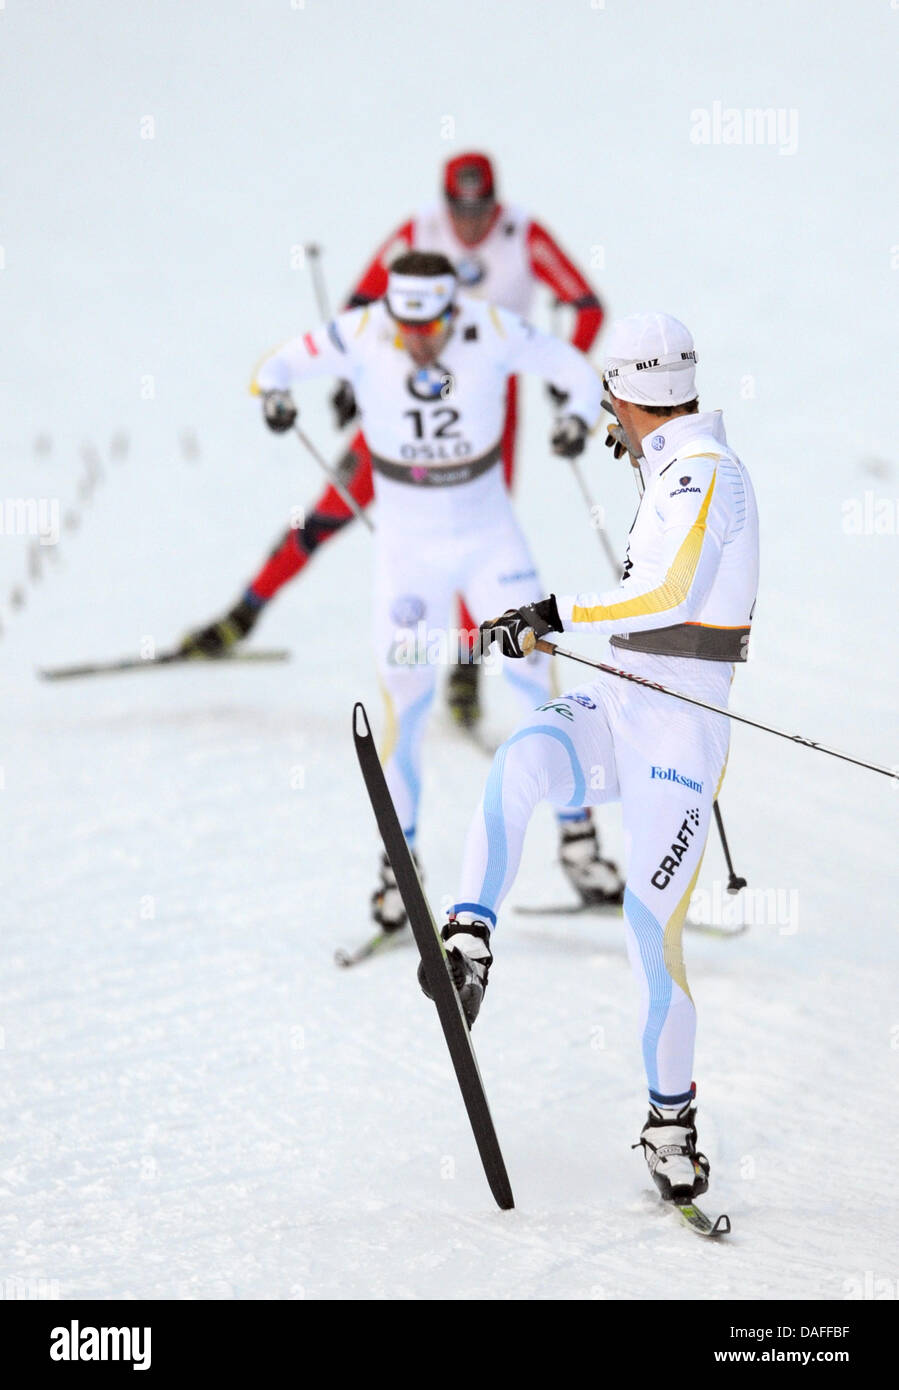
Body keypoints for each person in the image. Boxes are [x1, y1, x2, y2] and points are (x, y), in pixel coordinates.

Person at [423, 312, 759, 1207]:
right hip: (618, 703)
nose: (604, 414)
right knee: (522, 760)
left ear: (626, 392)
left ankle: (670, 1127)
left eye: (609, 395)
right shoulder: (671, 465)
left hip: (678, 740)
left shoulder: (703, 475)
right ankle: (468, 942)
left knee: (651, 938)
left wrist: (547, 612)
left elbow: (667, 593)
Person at [251, 251, 623, 929]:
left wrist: (576, 416)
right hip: (408, 548)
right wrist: (275, 398)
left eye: (432, 326)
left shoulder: (490, 325)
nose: (418, 341)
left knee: (535, 679)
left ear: (454, 307)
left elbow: (570, 367)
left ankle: (580, 848)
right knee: (405, 698)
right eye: (406, 326)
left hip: (489, 537)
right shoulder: (362, 331)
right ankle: (400, 868)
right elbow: (275, 364)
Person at [182, 152, 605, 730]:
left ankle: (463, 667)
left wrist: (565, 373)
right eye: (462, 209)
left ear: (496, 204)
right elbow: (359, 302)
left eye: (481, 210)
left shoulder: (523, 235)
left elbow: (585, 304)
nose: (471, 223)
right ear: (445, 202)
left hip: (487, 410)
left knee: (476, 533)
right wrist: (350, 379)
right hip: (399, 400)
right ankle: (244, 612)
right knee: (331, 510)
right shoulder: (420, 231)